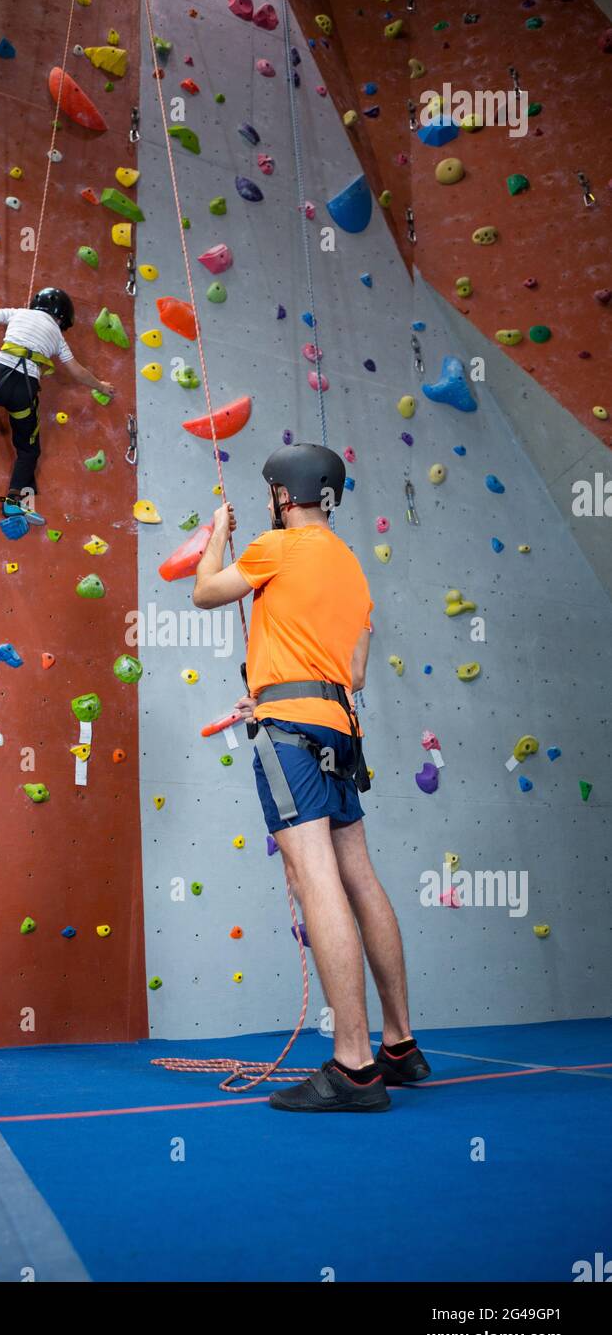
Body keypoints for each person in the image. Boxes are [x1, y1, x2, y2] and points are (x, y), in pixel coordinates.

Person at [192, 442, 430, 1113]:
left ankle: (354, 1068)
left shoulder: (280, 546)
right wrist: (272, 689)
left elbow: (206, 591)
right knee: (358, 873)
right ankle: (400, 1046)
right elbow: (350, 673)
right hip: (338, 728)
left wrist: (216, 534)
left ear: (281, 494)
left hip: (290, 734)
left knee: (317, 876)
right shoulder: (352, 568)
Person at [0, 287, 115, 524]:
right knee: (28, 450)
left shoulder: (18, 314)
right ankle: (14, 500)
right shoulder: (57, 335)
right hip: (25, 389)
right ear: (61, 317)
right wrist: (100, 386)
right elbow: (77, 371)